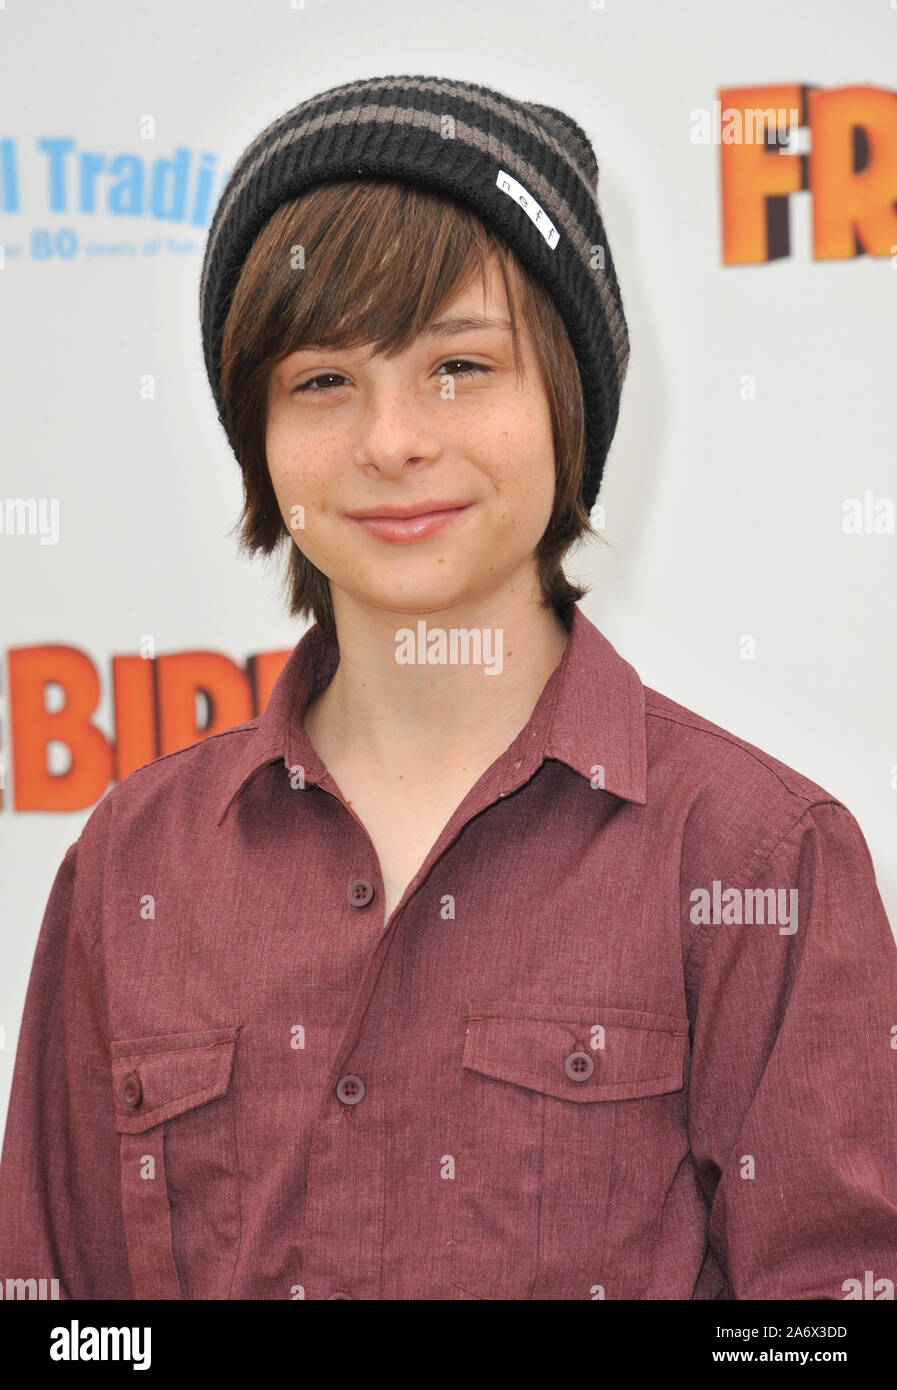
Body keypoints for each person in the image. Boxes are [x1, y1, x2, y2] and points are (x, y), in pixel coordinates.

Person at [1, 73, 895, 1301]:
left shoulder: (755, 855)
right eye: (324, 381)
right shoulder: (130, 864)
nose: (392, 440)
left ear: (566, 407)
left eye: (460, 368)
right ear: (257, 438)